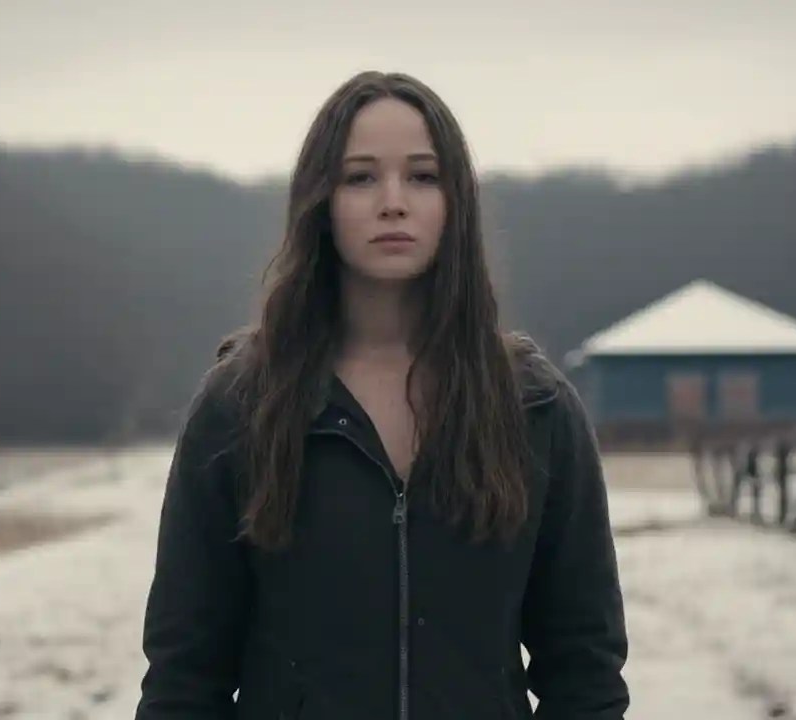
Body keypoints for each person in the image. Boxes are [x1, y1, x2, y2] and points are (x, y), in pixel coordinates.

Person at [136, 70, 628, 720]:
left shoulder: (534, 409)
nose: (392, 202)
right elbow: (184, 679)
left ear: (456, 202)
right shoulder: (242, 406)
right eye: (360, 177)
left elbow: (585, 673)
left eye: (422, 176)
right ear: (321, 199)